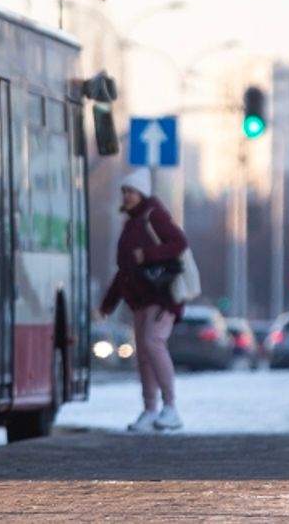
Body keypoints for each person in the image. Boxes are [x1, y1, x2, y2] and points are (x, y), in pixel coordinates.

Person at [99, 167, 188, 432]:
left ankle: (170, 407)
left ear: (142, 193)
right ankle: (150, 410)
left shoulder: (154, 215)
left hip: (161, 298)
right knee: (145, 355)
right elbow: (124, 270)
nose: (126, 196)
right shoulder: (130, 224)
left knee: (153, 343)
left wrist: (147, 255)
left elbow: (178, 243)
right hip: (140, 300)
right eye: (124, 192)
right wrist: (108, 304)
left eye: (131, 192)